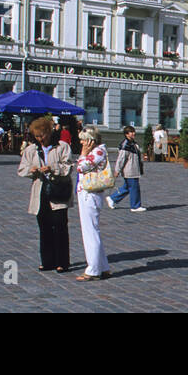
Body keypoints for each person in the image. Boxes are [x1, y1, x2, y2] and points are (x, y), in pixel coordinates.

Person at [16, 116, 72, 273]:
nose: (40, 139)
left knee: (60, 226)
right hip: (40, 190)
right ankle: (47, 261)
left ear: (49, 132)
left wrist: (52, 168)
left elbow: (68, 168)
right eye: (37, 137)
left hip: (58, 189)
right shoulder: (31, 149)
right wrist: (30, 171)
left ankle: (62, 261)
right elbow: (22, 169)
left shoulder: (62, 147)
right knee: (44, 226)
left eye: (43, 136)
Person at [74, 127, 112, 281]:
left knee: (90, 232)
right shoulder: (96, 152)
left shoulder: (98, 152)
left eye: (84, 139)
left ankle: (93, 269)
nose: (81, 142)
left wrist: (83, 153)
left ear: (91, 140)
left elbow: (81, 167)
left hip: (90, 193)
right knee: (91, 230)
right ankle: (103, 267)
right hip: (87, 193)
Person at [108, 126, 146, 212]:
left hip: (134, 169)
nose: (133, 133)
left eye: (133, 132)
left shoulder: (132, 143)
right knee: (134, 188)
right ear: (126, 134)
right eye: (131, 132)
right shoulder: (126, 144)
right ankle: (135, 206)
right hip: (130, 170)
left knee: (128, 187)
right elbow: (121, 159)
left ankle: (112, 198)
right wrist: (117, 170)